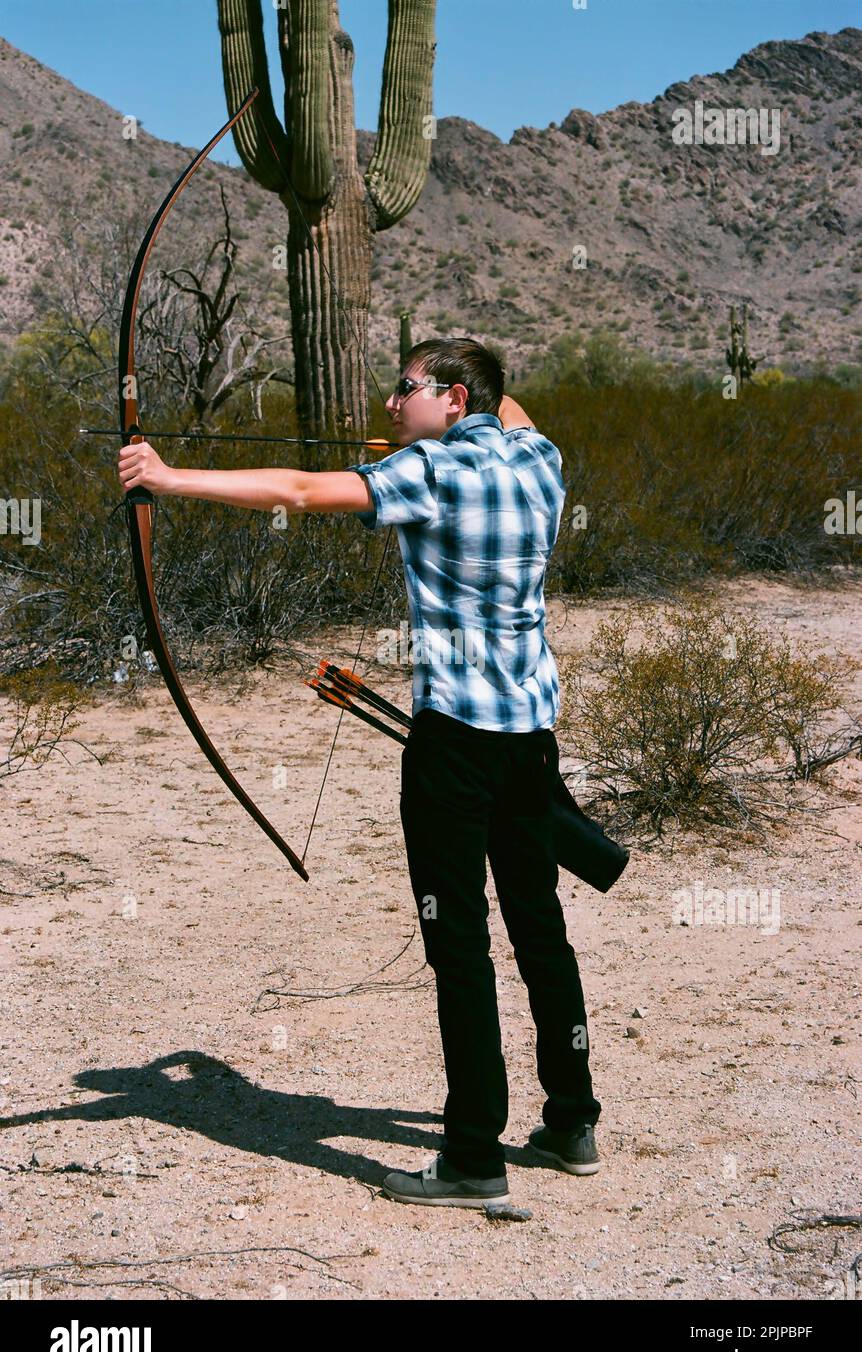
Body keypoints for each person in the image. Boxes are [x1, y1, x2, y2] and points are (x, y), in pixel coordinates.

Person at [117, 336, 602, 1209]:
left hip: (454, 744)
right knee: (540, 926)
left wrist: (168, 477)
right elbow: (510, 411)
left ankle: (471, 1160)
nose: (388, 403)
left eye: (404, 389)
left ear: (453, 397)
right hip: (531, 739)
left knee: (459, 946)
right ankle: (572, 1122)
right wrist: (439, 424)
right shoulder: (538, 455)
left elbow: (301, 491)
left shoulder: (431, 476)